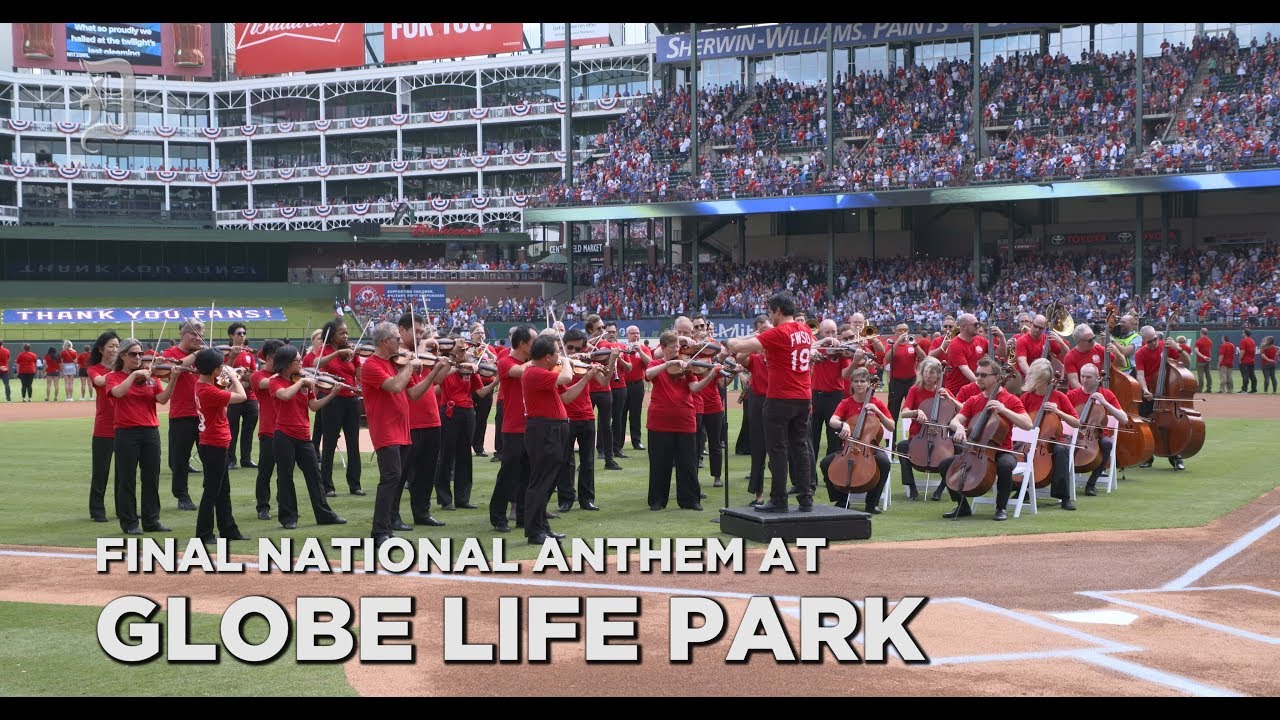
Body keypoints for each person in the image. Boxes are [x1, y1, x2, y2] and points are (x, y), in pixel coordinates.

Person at [722, 292, 815, 513]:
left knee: (778, 449)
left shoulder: (778, 332)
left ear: (778, 311)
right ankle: (805, 497)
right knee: (800, 447)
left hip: (780, 398)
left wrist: (726, 340)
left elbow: (737, 346)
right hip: (803, 396)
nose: (770, 317)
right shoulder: (806, 330)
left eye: (771, 312)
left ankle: (779, 498)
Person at [935, 357, 1033, 521]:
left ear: (996, 377)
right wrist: (959, 427)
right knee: (945, 464)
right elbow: (955, 421)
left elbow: (1028, 424)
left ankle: (1001, 508)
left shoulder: (1010, 400)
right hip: (975, 450)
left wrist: (1004, 411)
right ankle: (962, 505)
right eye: (977, 374)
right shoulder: (974, 400)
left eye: (983, 375)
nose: (978, 378)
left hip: (1002, 450)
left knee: (1004, 465)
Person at [269, 344, 348, 529]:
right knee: (285, 477)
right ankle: (289, 517)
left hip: (304, 436)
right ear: (287, 363)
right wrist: (301, 383)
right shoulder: (276, 381)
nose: (301, 362)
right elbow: (285, 395)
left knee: (315, 476)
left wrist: (332, 394)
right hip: (284, 435)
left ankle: (324, 515)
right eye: (297, 360)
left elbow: (313, 406)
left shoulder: (304, 380)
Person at [107, 338, 177, 535]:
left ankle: (151, 520)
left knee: (151, 478)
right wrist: (134, 375)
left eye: (140, 354)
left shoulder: (151, 379)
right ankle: (129, 522)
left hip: (150, 432)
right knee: (126, 479)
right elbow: (117, 393)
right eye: (133, 354)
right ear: (122, 356)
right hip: (126, 432)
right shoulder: (114, 376)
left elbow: (162, 400)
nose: (138, 358)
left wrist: (173, 379)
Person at [647, 331, 720, 511]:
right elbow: (648, 374)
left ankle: (690, 500)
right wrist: (668, 363)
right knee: (659, 463)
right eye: (672, 348)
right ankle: (657, 500)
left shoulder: (687, 367)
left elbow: (694, 388)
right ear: (663, 348)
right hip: (659, 421)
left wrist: (711, 375)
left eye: (677, 348)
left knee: (687, 463)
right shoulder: (657, 363)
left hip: (685, 420)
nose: (676, 351)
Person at [360, 322, 417, 549]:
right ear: (385, 342)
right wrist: (411, 365)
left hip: (401, 428)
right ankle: (380, 530)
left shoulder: (396, 363)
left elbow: (413, 393)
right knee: (391, 478)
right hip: (385, 429)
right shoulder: (372, 365)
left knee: (396, 479)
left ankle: (388, 527)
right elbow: (394, 386)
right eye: (396, 338)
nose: (401, 342)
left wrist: (435, 371)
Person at [521, 333, 575, 545]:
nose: (559, 356)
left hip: (552, 428)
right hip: (545, 429)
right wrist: (568, 362)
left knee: (548, 480)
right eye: (557, 353)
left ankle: (542, 527)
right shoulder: (533, 372)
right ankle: (534, 531)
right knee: (541, 481)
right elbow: (567, 377)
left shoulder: (540, 371)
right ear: (547, 357)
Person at [192, 348, 251, 543]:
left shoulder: (205, 387)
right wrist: (234, 378)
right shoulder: (207, 389)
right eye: (220, 367)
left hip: (216, 442)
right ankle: (204, 533)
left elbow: (223, 402)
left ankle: (228, 529)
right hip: (214, 443)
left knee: (222, 490)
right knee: (212, 490)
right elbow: (242, 396)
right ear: (214, 370)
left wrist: (230, 381)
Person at [397, 314, 449, 529]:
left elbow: (437, 379)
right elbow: (412, 393)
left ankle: (422, 512)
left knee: (427, 471)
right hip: (411, 422)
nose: (420, 335)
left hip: (432, 419)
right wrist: (424, 353)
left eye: (421, 332)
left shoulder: (424, 356)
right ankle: (392, 515)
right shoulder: (399, 356)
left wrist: (443, 360)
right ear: (402, 330)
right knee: (402, 474)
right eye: (416, 332)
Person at [818, 367, 894, 514]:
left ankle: (872, 503)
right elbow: (833, 420)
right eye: (856, 381)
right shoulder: (846, 403)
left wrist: (878, 412)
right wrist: (843, 424)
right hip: (848, 447)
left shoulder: (876, 402)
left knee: (884, 463)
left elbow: (891, 426)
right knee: (825, 463)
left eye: (863, 381)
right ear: (851, 384)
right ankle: (840, 499)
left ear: (868, 384)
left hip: (870, 449)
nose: (859, 384)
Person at [436, 336, 496, 510]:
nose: (466, 352)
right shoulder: (446, 365)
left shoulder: (469, 369)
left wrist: (497, 380)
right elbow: (438, 379)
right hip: (449, 411)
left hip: (468, 412)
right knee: (446, 455)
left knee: (464, 455)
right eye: (461, 349)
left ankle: (463, 498)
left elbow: (481, 392)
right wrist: (455, 364)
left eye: (465, 349)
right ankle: (445, 499)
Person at [1017, 358, 1081, 511]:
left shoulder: (1059, 397)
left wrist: (1058, 412)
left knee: (1062, 450)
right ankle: (1021, 490)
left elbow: (1077, 423)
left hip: (1051, 441)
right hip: (1028, 440)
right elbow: (1017, 421)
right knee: (1013, 451)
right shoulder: (1025, 397)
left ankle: (1064, 496)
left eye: (1041, 380)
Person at [894, 356, 960, 501]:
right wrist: (917, 412)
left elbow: (962, 411)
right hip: (918, 435)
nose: (928, 376)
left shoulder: (944, 392)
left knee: (958, 450)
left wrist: (950, 399)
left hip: (940, 438)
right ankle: (912, 487)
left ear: (938, 375)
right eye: (926, 372)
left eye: (932, 373)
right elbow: (904, 413)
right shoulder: (914, 390)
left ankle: (941, 488)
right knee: (902, 447)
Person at [556, 329, 607, 513]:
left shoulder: (587, 362)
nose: (573, 351)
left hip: (586, 415)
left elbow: (604, 382)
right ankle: (566, 498)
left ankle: (587, 499)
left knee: (588, 460)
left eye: (578, 348)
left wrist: (612, 360)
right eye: (569, 347)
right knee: (565, 460)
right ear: (564, 345)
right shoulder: (559, 363)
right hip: (565, 416)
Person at [490, 326, 536, 532]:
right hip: (513, 426)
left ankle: (523, 517)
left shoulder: (530, 363)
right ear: (523, 343)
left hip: (531, 425)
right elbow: (518, 371)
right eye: (534, 342)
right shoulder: (506, 361)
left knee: (528, 473)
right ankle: (498, 516)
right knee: (508, 474)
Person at [315, 319, 364, 497]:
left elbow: (358, 373)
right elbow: (316, 364)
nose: (345, 336)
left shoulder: (351, 352)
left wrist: (360, 382)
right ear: (332, 335)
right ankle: (327, 486)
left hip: (351, 400)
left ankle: (355, 484)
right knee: (329, 442)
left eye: (346, 333)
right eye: (341, 333)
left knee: (353, 442)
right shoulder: (324, 350)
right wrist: (338, 354)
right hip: (332, 400)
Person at [1065, 363, 1129, 495]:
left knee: (1107, 444)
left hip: (1096, 435)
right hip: (1074, 434)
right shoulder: (1072, 395)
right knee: (1061, 447)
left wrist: (1105, 403)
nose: (1084, 380)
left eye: (1088, 377)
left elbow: (1124, 418)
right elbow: (1062, 417)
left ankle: (1091, 483)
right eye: (1082, 376)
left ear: (1097, 377)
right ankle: (1064, 483)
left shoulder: (1106, 394)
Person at [1134, 326, 1192, 471]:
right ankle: (1147, 457)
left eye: (1155, 339)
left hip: (1168, 392)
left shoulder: (1165, 347)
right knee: (1144, 423)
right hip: (1151, 392)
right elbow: (1140, 375)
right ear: (1143, 341)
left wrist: (1177, 348)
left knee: (1172, 425)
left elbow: (1188, 362)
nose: (1153, 343)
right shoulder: (1140, 353)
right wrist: (1145, 390)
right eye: (1149, 342)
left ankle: (1176, 456)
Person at [163, 319, 206, 511]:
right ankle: (182, 495)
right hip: (182, 413)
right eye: (193, 334)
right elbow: (175, 367)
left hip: (205, 414)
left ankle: (212, 492)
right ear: (182, 334)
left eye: (200, 335)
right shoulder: (171, 353)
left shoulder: (205, 354)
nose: (198, 338)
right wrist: (197, 354)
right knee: (180, 460)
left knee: (210, 456)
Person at [87, 331, 120, 523]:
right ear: (101, 349)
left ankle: (123, 509)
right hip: (104, 427)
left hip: (125, 425)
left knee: (124, 473)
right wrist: (123, 373)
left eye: (117, 346)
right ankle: (97, 509)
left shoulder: (125, 369)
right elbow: (99, 381)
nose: (115, 349)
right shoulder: (95, 368)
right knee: (101, 471)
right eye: (111, 346)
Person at [250, 339, 284, 520]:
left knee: (284, 474)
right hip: (269, 430)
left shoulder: (287, 376)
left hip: (287, 431)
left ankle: (285, 505)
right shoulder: (258, 376)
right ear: (270, 358)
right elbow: (265, 383)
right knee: (265, 472)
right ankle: (262, 506)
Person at [584, 315, 623, 471]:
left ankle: (609, 459)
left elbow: (604, 353)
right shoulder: (583, 345)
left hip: (604, 390)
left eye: (602, 328)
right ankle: (586, 461)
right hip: (588, 389)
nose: (602, 331)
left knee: (606, 426)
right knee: (587, 427)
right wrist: (586, 346)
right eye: (598, 329)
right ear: (589, 330)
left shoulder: (605, 343)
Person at [810, 319, 851, 460]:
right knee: (812, 437)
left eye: (833, 332)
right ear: (820, 333)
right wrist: (824, 341)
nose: (831, 335)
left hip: (834, 397)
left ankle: (831, 476)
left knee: (834, 438)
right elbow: (807, 348)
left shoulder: (841, 350)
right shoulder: (815, 347)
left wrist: (855, 360)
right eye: (827, 332)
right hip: (815, 396)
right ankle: (810, 478)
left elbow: (845, 375)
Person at [224, 322, 259, 470]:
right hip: (233, 395)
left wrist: (247, 382)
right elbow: (224, 374)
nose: (242, 336)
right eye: (239, 333)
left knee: (249, 428)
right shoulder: (226, 353)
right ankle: (231, 459)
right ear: (231, 336)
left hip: (249, 396)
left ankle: (246, 458)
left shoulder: (249, 353)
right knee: (232, 428)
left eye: (244, 333)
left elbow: (254, 374)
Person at [885, 323, 926, 423]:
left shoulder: (912, 344)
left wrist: (916, 346)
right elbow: (888, 359)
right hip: (896, 382)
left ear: (908, 331)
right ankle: (891, 438)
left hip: (911, 381)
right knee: (893, 411)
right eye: (900, 330)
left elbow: (923, 358)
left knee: (914, 409)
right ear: (896, 333)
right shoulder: (891, 345)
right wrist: (897, 342)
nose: (902, 332)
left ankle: (914, 436)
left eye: (904, 330)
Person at [619, 325, 651, 451]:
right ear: (627, 335)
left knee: (636, 414)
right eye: (633, 333)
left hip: (637, 385)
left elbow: (650, 363)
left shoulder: (643, 348)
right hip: (622, 385)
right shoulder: (622, 348)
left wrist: (640, 351)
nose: (636, 335)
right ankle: (618, 442)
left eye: (637, 333)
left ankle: (636, 441)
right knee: (621, 414)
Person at [604, 322, 633, 460]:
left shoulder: (622, 347)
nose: (611, 334)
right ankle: (602, 449)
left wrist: (619, 358)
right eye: (609, 331)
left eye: (613, 331)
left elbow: (629, 368)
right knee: (604, 420)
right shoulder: (601, 346)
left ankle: (617, 448)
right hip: (604, 387)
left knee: (618, 419)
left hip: (620, 387)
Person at [469, 323, 494, 457]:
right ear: (471, 334)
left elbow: (497, 362)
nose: (481, 335)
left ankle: (479, 446)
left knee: (482, 418)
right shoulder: (467, 348)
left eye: (482, 333)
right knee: (469, 417)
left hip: (486, 386)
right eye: (478, 332)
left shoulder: (488, 348)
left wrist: (488, 352)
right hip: (471, 387)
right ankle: (466, 444)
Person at [1238, 328, 1257, 393]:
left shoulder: (1243, 341)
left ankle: (1244, 389)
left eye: (1243, 332)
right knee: (1252, 375)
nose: (1242, 334)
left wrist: (1240, 359)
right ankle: (1254, 389)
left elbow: (1242, 351)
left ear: (1245, 333)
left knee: (1245, 376)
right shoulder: (1252, 341)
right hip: (1251, 361)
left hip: (1245, 361)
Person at [1194, 328, 1213, 393]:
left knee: (1200, 375)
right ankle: (1209, 388)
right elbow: (1209, 351)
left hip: (1200, 360)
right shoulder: (1210, 341)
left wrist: (1204, 357)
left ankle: (1200, 389)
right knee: (1208, 375)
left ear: (1201, 333)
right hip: (1208, 360)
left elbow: (1196, 351)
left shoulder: (1198, 341)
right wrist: (1208, 357)